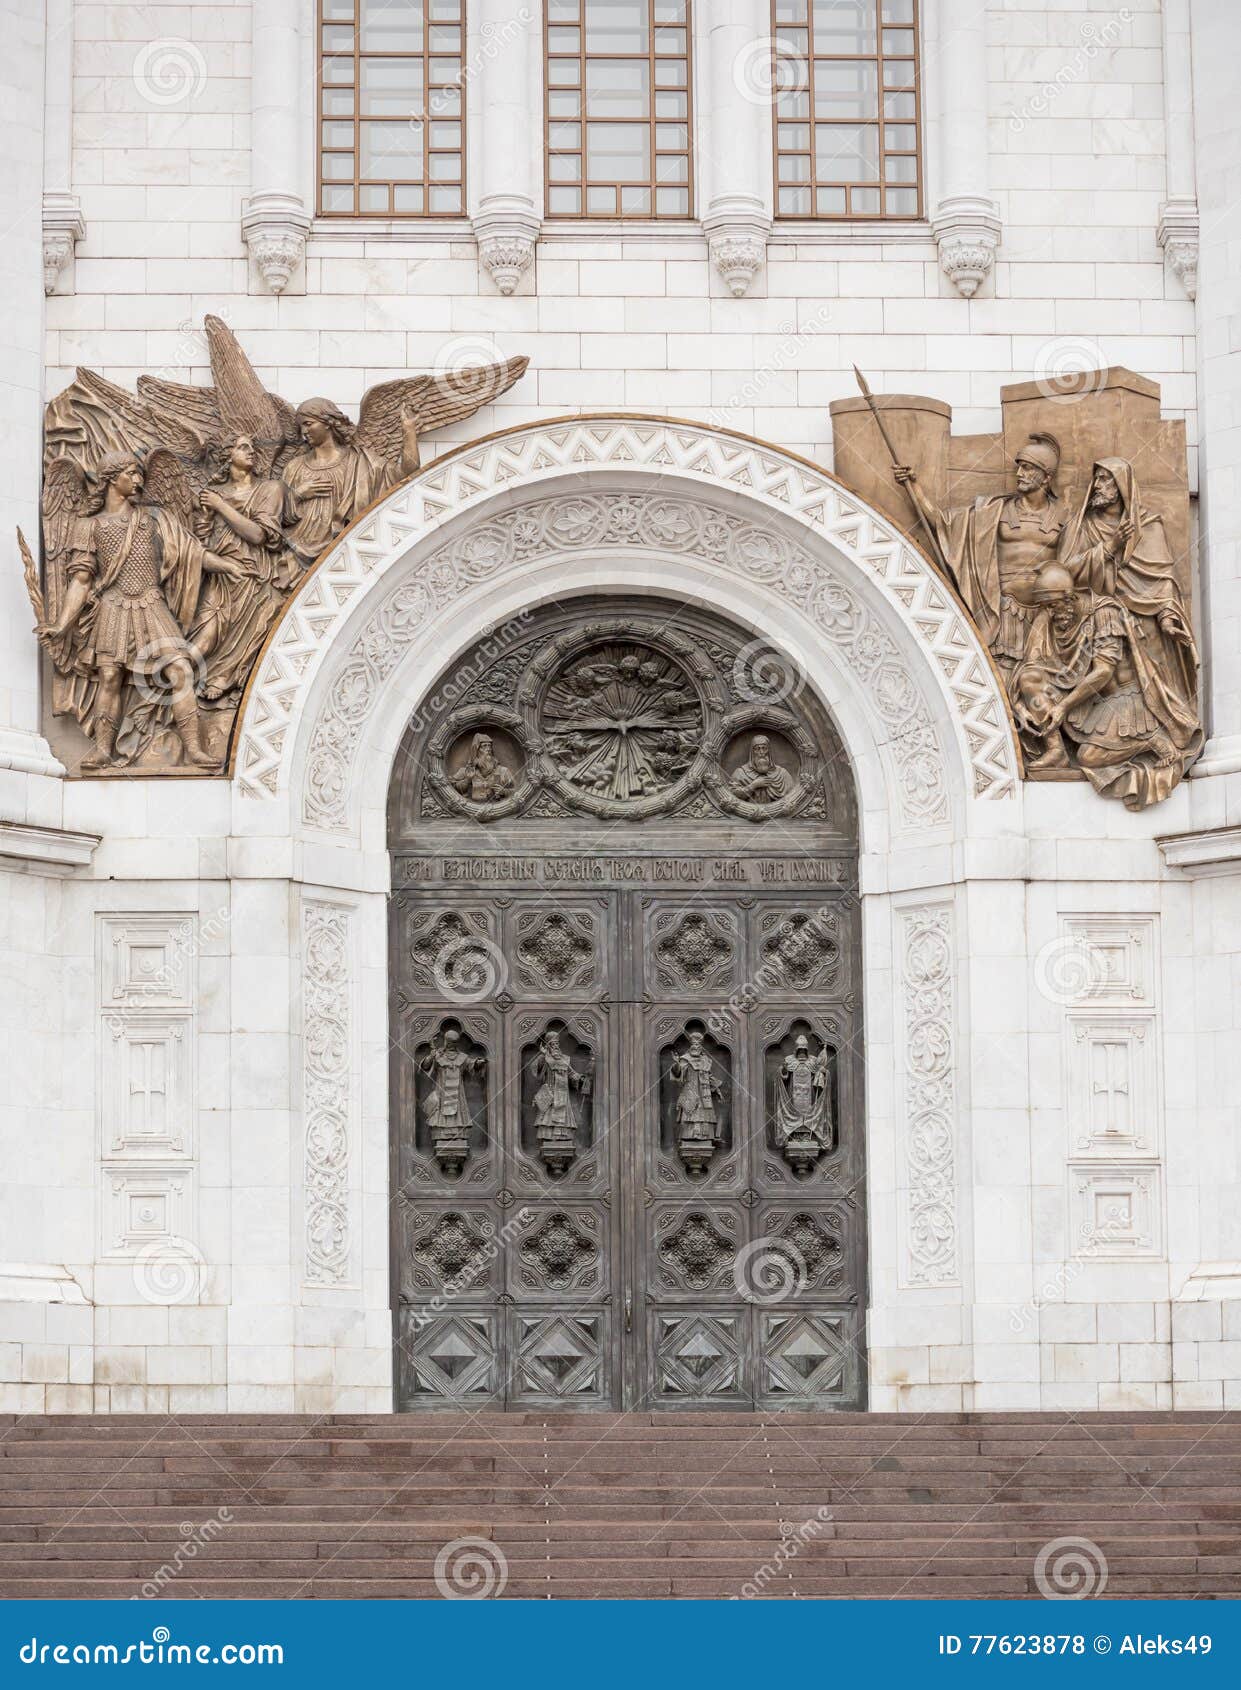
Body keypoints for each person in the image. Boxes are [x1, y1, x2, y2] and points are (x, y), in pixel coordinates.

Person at [38, 452, 240, 769]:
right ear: (111, 479)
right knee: (109, 676)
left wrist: (227, 565)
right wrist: (62, 624)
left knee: (181, 670)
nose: (139, 480)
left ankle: (195, 750)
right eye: (132, 473)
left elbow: (190, 552)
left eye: (140, 473)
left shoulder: (153, 519)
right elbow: (80, 579)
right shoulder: (88, 527)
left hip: (151, 603)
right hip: (113, 606)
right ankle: (103, 749)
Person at [1011, 565, 1202, 809]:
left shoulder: (1104, 613)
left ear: (1069, 598)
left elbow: (1103, 672)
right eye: (1046, 607)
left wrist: (1063, 706)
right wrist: (1020, 703)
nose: (1050, 613)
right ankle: (1055, 749)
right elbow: (1031, 666)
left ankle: (1151, 741)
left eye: (1053, 606)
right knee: (1029, 677)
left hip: (1122, 701)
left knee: (1087, 757)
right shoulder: (1048, 616)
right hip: (1086, 700)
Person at [893, 434, 1067, 679]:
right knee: (1000, 680)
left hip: (1045, 619)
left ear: (1046, 477)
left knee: (1040, 682)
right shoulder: (994, 510)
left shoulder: (1065, 517)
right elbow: (941, 523)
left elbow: (1081, 563)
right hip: (1002, 615)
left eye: (1027, 469)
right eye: (1019, 467)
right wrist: (913, 487)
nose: (1019, 474)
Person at [1060, 457, 1198, 734]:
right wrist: (1111, 546)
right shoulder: (1082, 526)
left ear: (1121, 485)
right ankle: (1116, 735)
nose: (1097, 485)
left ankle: (1162, 733)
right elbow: (1065, 574)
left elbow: (1162, 580)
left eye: (1104, 478)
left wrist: (1168, 618)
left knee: (1155, 680)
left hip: (1147, 619)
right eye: (1096, 478)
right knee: (1111, 681)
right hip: (1101, 617)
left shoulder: (1148, 525)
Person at [190, 433, 298, 701]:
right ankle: (163, 682)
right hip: (221, 575)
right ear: (228, 455)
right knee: (204, 639)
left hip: (254, 577)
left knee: (252, 626)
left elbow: (259, 535)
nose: (251, 451)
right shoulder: (214, 494)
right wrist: (205, 518)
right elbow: (199, 542)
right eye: (243, 447)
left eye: (252, 447)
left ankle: (226, 676)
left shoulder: (271, 489)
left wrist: (220, 506)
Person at [281, 396, 421, 566]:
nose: (304, 432)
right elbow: (277, 517)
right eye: (301, 426)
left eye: (308, 424)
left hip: (349, 552)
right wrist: (297, 495)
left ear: (327, 422)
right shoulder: (294, 468)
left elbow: (407, 473)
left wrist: (409, 429)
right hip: (299, 555)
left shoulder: (361, 460)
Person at [451, 732, 515, 803]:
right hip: (471, 810)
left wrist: (504, 791)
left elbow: (516, 791)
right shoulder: (465, 771)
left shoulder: (503, 771)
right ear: (476, 751)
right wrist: (468, 780)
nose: (488, 749)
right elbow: (453, 789)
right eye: (484, 746)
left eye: (489, 746)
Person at [730, 733, 791, 802]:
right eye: (757, 749)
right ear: (752, 752)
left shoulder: (782, 774)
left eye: (764, 748)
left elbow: (791, 796)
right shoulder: (740, 773)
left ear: (769, 751)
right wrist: (753, 786)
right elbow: (732, 795)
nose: (761, 752)